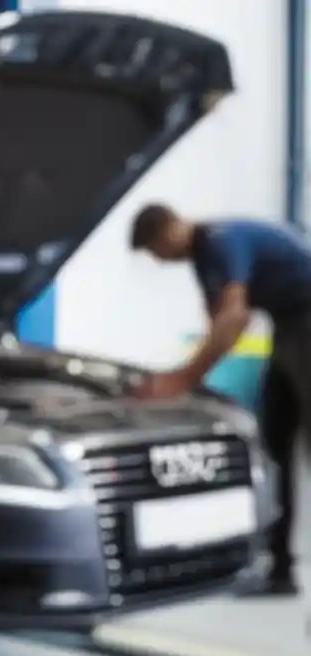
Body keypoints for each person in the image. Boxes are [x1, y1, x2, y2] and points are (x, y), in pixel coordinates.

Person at [131, 203, 309, 596]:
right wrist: (189, 380)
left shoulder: (220, 241)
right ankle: (280, 570)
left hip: (306, 321)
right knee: (275, 443)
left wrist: (182, 379)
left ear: (168, 230)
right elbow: (217, 324)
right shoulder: (203, 258)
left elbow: (235, 319)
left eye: (154, 251)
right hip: (289, 326)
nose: (159, 261)